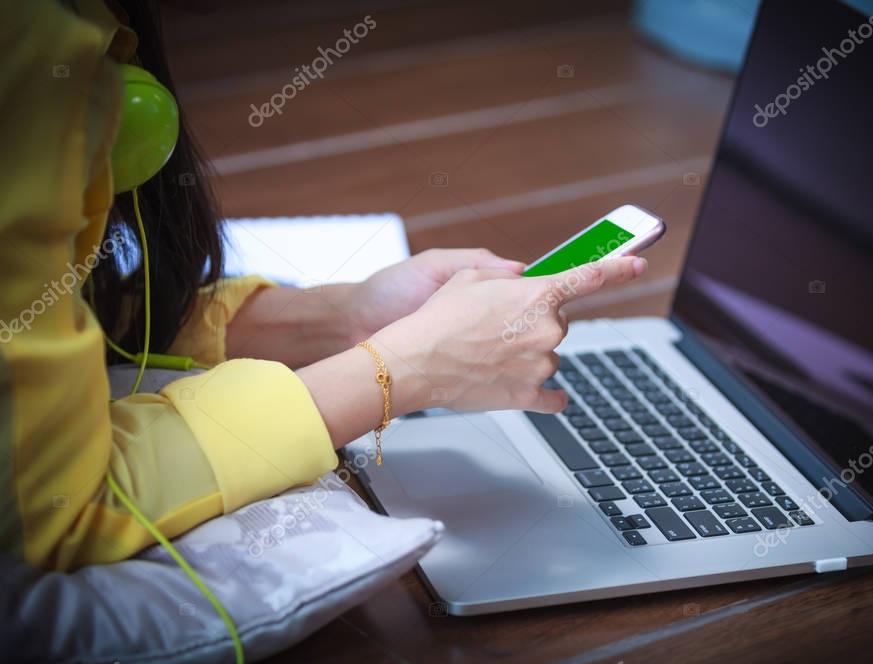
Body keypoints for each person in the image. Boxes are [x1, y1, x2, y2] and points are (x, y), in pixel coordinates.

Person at [0, 0, 647, 571]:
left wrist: (343, 318)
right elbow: (46, 510)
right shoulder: (26, 46)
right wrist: (411, 367)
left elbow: (62, 319)